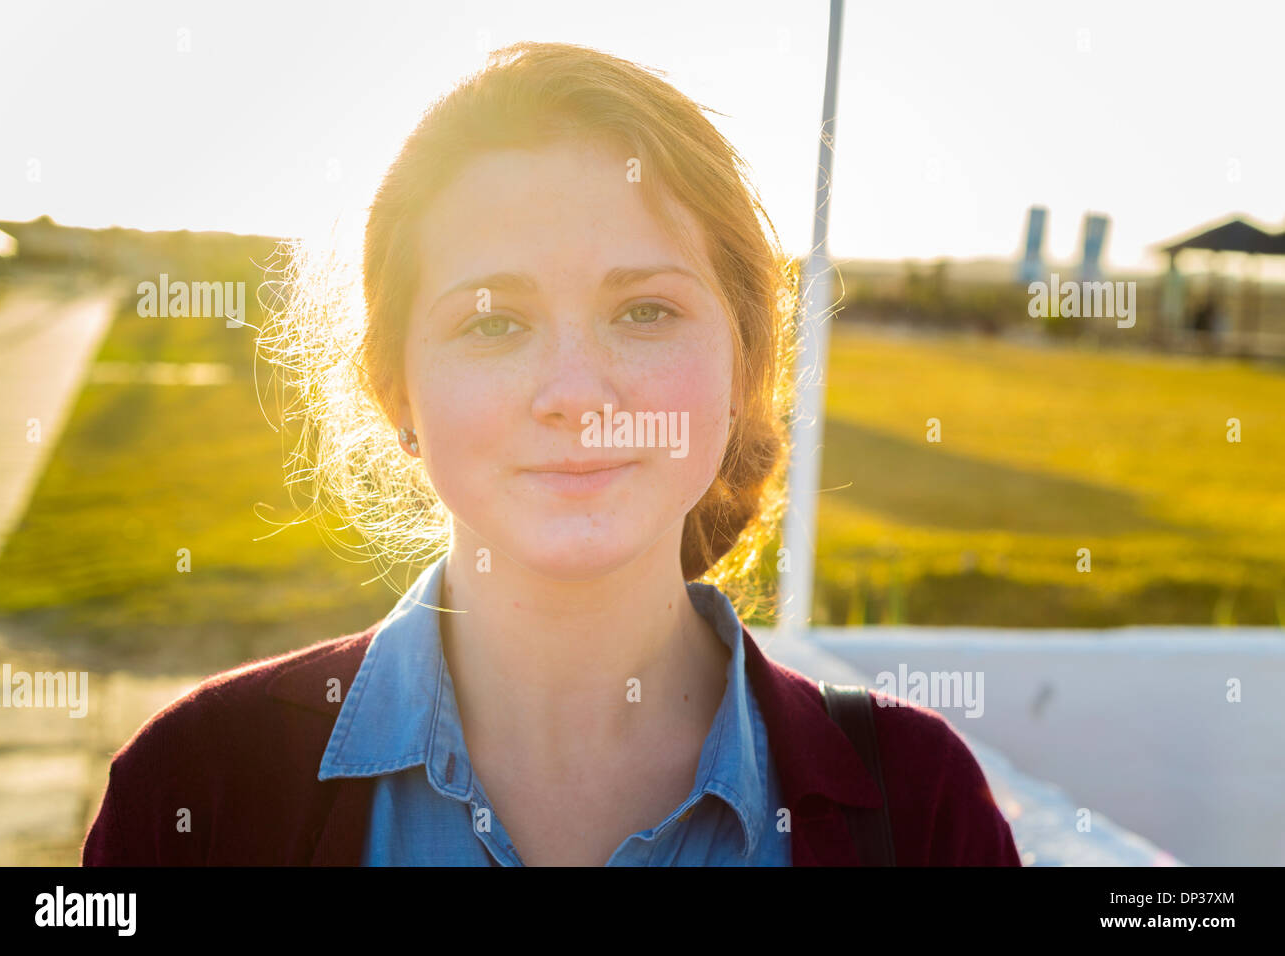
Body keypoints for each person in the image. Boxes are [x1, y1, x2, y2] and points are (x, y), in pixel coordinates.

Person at [82, 41, 1020, 867]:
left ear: (743, 367)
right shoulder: (196, 792)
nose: (577, 394)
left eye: (644, 311)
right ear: (397, 392)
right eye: (493, 323)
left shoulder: (919, 807)